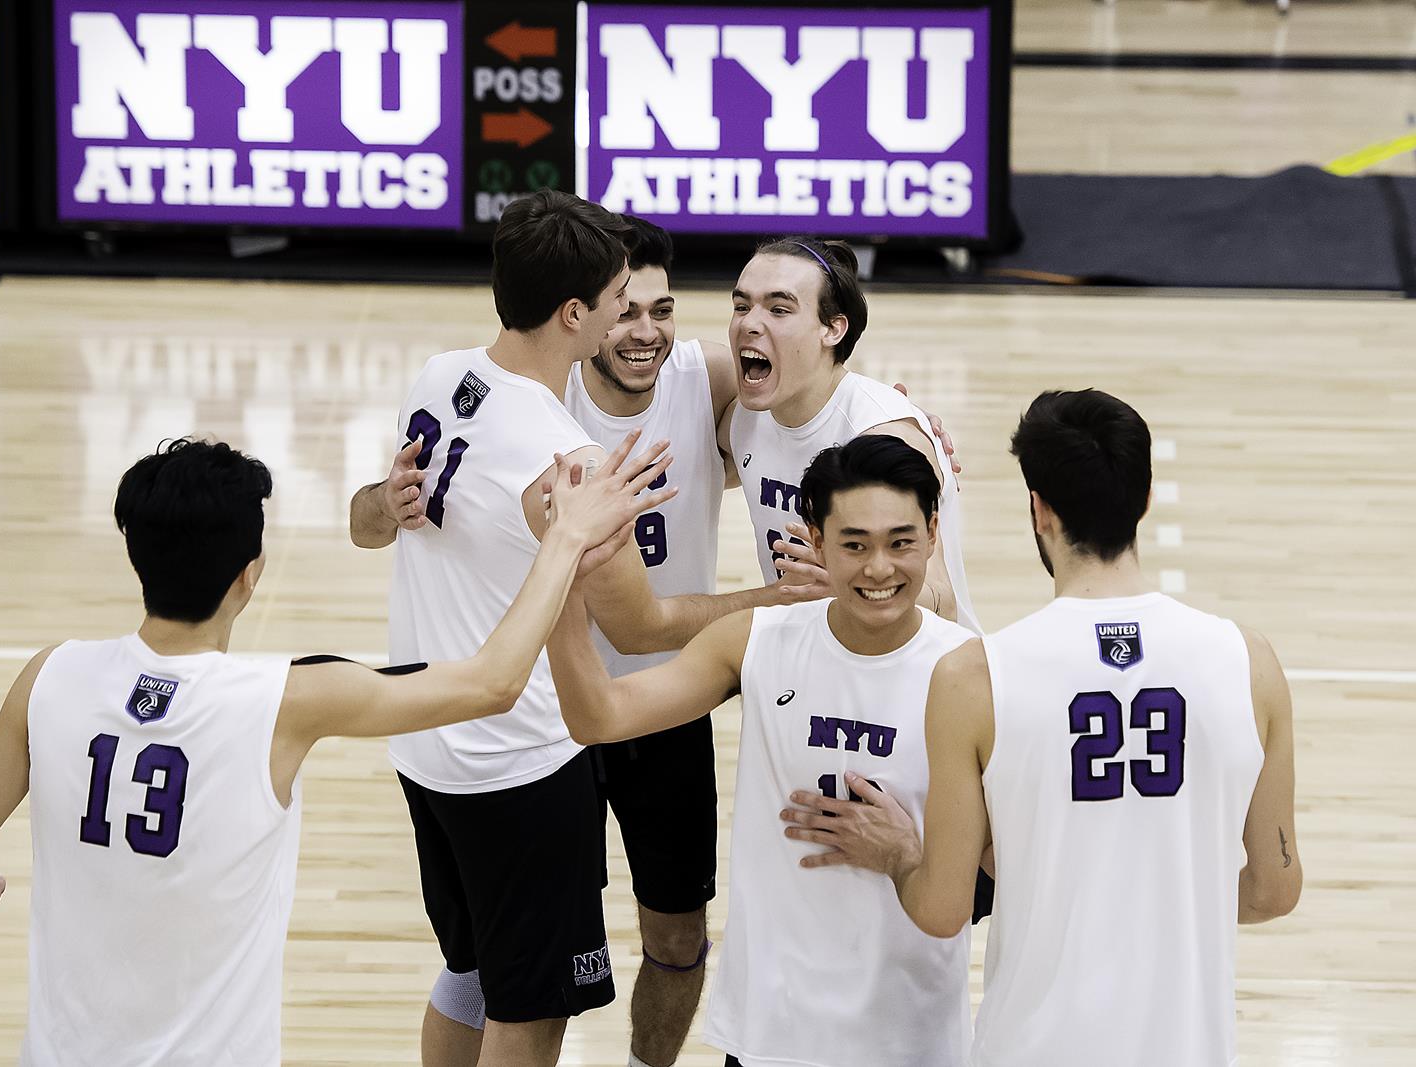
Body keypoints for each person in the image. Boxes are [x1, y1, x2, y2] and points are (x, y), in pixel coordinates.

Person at [0, 433, 670, 1067]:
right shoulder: (283, 699)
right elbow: (495, 681)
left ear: (135, 555)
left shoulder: (48, 676)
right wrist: (566, 537)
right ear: (251, 575)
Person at [347, 191, 803, 1067]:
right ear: (575, 313)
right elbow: (636, 625)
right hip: (523, 755)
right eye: (612, 300)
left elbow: (382, 518)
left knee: (474, 972)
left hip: (431, 741)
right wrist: (776, 603)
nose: (630, 318)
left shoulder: (442, 376)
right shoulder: (570, 461)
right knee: (532, 1010)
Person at [781, 389, 1303, 1067]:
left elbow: (943, 907)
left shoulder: (973, 677)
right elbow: (1274, 887)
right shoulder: (1250, 661)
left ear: (1040, 509)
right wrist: (1172, 897)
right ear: (1143, 501)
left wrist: (899, 852)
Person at [548, 435, 979, 1067]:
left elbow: (1012, 861)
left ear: (934, 532)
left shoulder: (970, 672)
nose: (879, 568)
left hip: (912, 1039)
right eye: (854, 544)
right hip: (773, 1033)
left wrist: (905, 855)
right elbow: (599, 716)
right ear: (816, 537)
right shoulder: (758, 640)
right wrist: (565, 577)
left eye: (901, 542)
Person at [560, 214, 738, 1067]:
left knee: (677, 934)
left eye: (661, 311)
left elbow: (834, 385)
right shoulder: (538, 397)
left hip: (668, 704)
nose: (646, 333)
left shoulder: (703, 377)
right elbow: (367, 521)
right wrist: (386, 501)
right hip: (553, 712)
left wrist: (912, 423)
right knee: (538, 951)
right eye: (626, 312)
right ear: (585, 313)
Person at [721, 235, 981, 632]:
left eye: (778, 309)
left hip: (919, 674)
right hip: (820, 654)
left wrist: (845, 586)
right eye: (742, 306)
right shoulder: (744, 417)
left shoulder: (883, 437)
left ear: (832, 329)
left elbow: (942, 601)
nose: (749, 323)